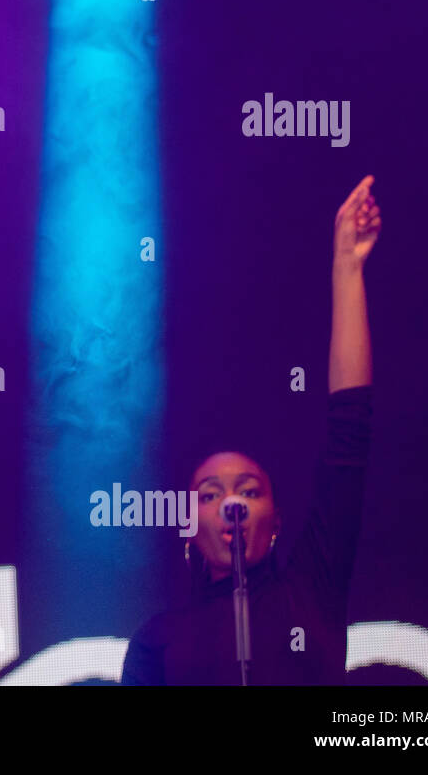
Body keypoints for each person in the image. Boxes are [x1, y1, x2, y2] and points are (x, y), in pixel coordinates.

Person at [121, 175, 380, 684]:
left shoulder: (311, 588)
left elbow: (350, 428)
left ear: (276, 518)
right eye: (209, 495)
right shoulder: (158, 641)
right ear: (188, 529)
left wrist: (347, 266)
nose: (231, 504)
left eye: (249, 491)